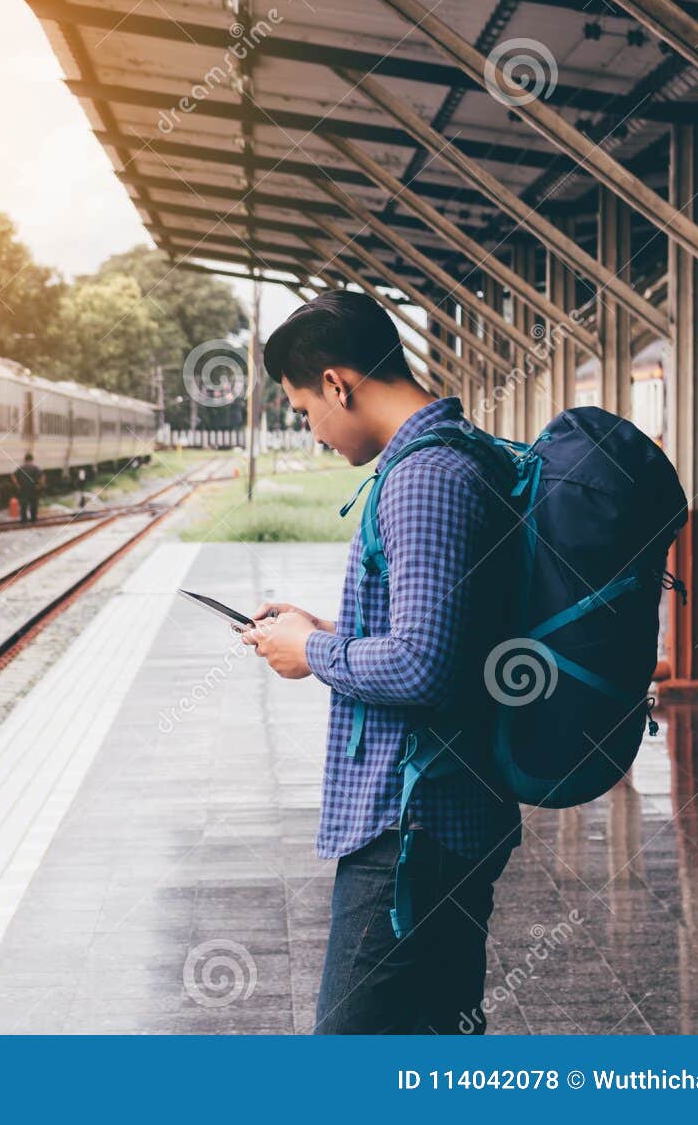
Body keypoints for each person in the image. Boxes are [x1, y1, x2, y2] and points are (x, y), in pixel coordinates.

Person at [238, 290, 520, 1035]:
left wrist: (311, 652)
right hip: (445, 812)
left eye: (304, 410)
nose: (312, 429)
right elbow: (448, 632)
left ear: (337, 383)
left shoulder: (424, 477)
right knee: (435, 1039)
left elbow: (425, 665)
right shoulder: (455, 456)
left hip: (412, 827)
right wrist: (328, 626)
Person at [12, 453, 44, 524]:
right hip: (33, 489)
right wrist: (40, 485)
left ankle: (24, 521)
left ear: (25, 460)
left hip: (23, 489)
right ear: (32, 459)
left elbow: (13, 476)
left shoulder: (21, 468)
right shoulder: (35, 468)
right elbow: (42, 477)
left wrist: (17, 485)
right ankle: (33, 520)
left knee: (23, 505)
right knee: (34, 505)